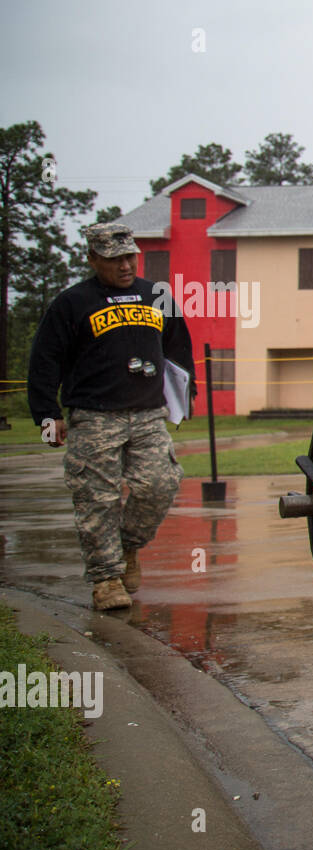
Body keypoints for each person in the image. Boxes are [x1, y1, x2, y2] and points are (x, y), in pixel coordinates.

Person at [27, 222, 195, 611]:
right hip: (93, 416)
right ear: (92, 259)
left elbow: (178, 350)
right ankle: (106, 580)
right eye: (114, 259)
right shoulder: (72, 303)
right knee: (96, 498)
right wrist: (47, 416)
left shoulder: (157, 296)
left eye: (129, 257)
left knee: (160, 484)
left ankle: (128, 547)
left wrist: (182, 397)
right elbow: (45, 361)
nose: (124, 266)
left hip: (148, 414)